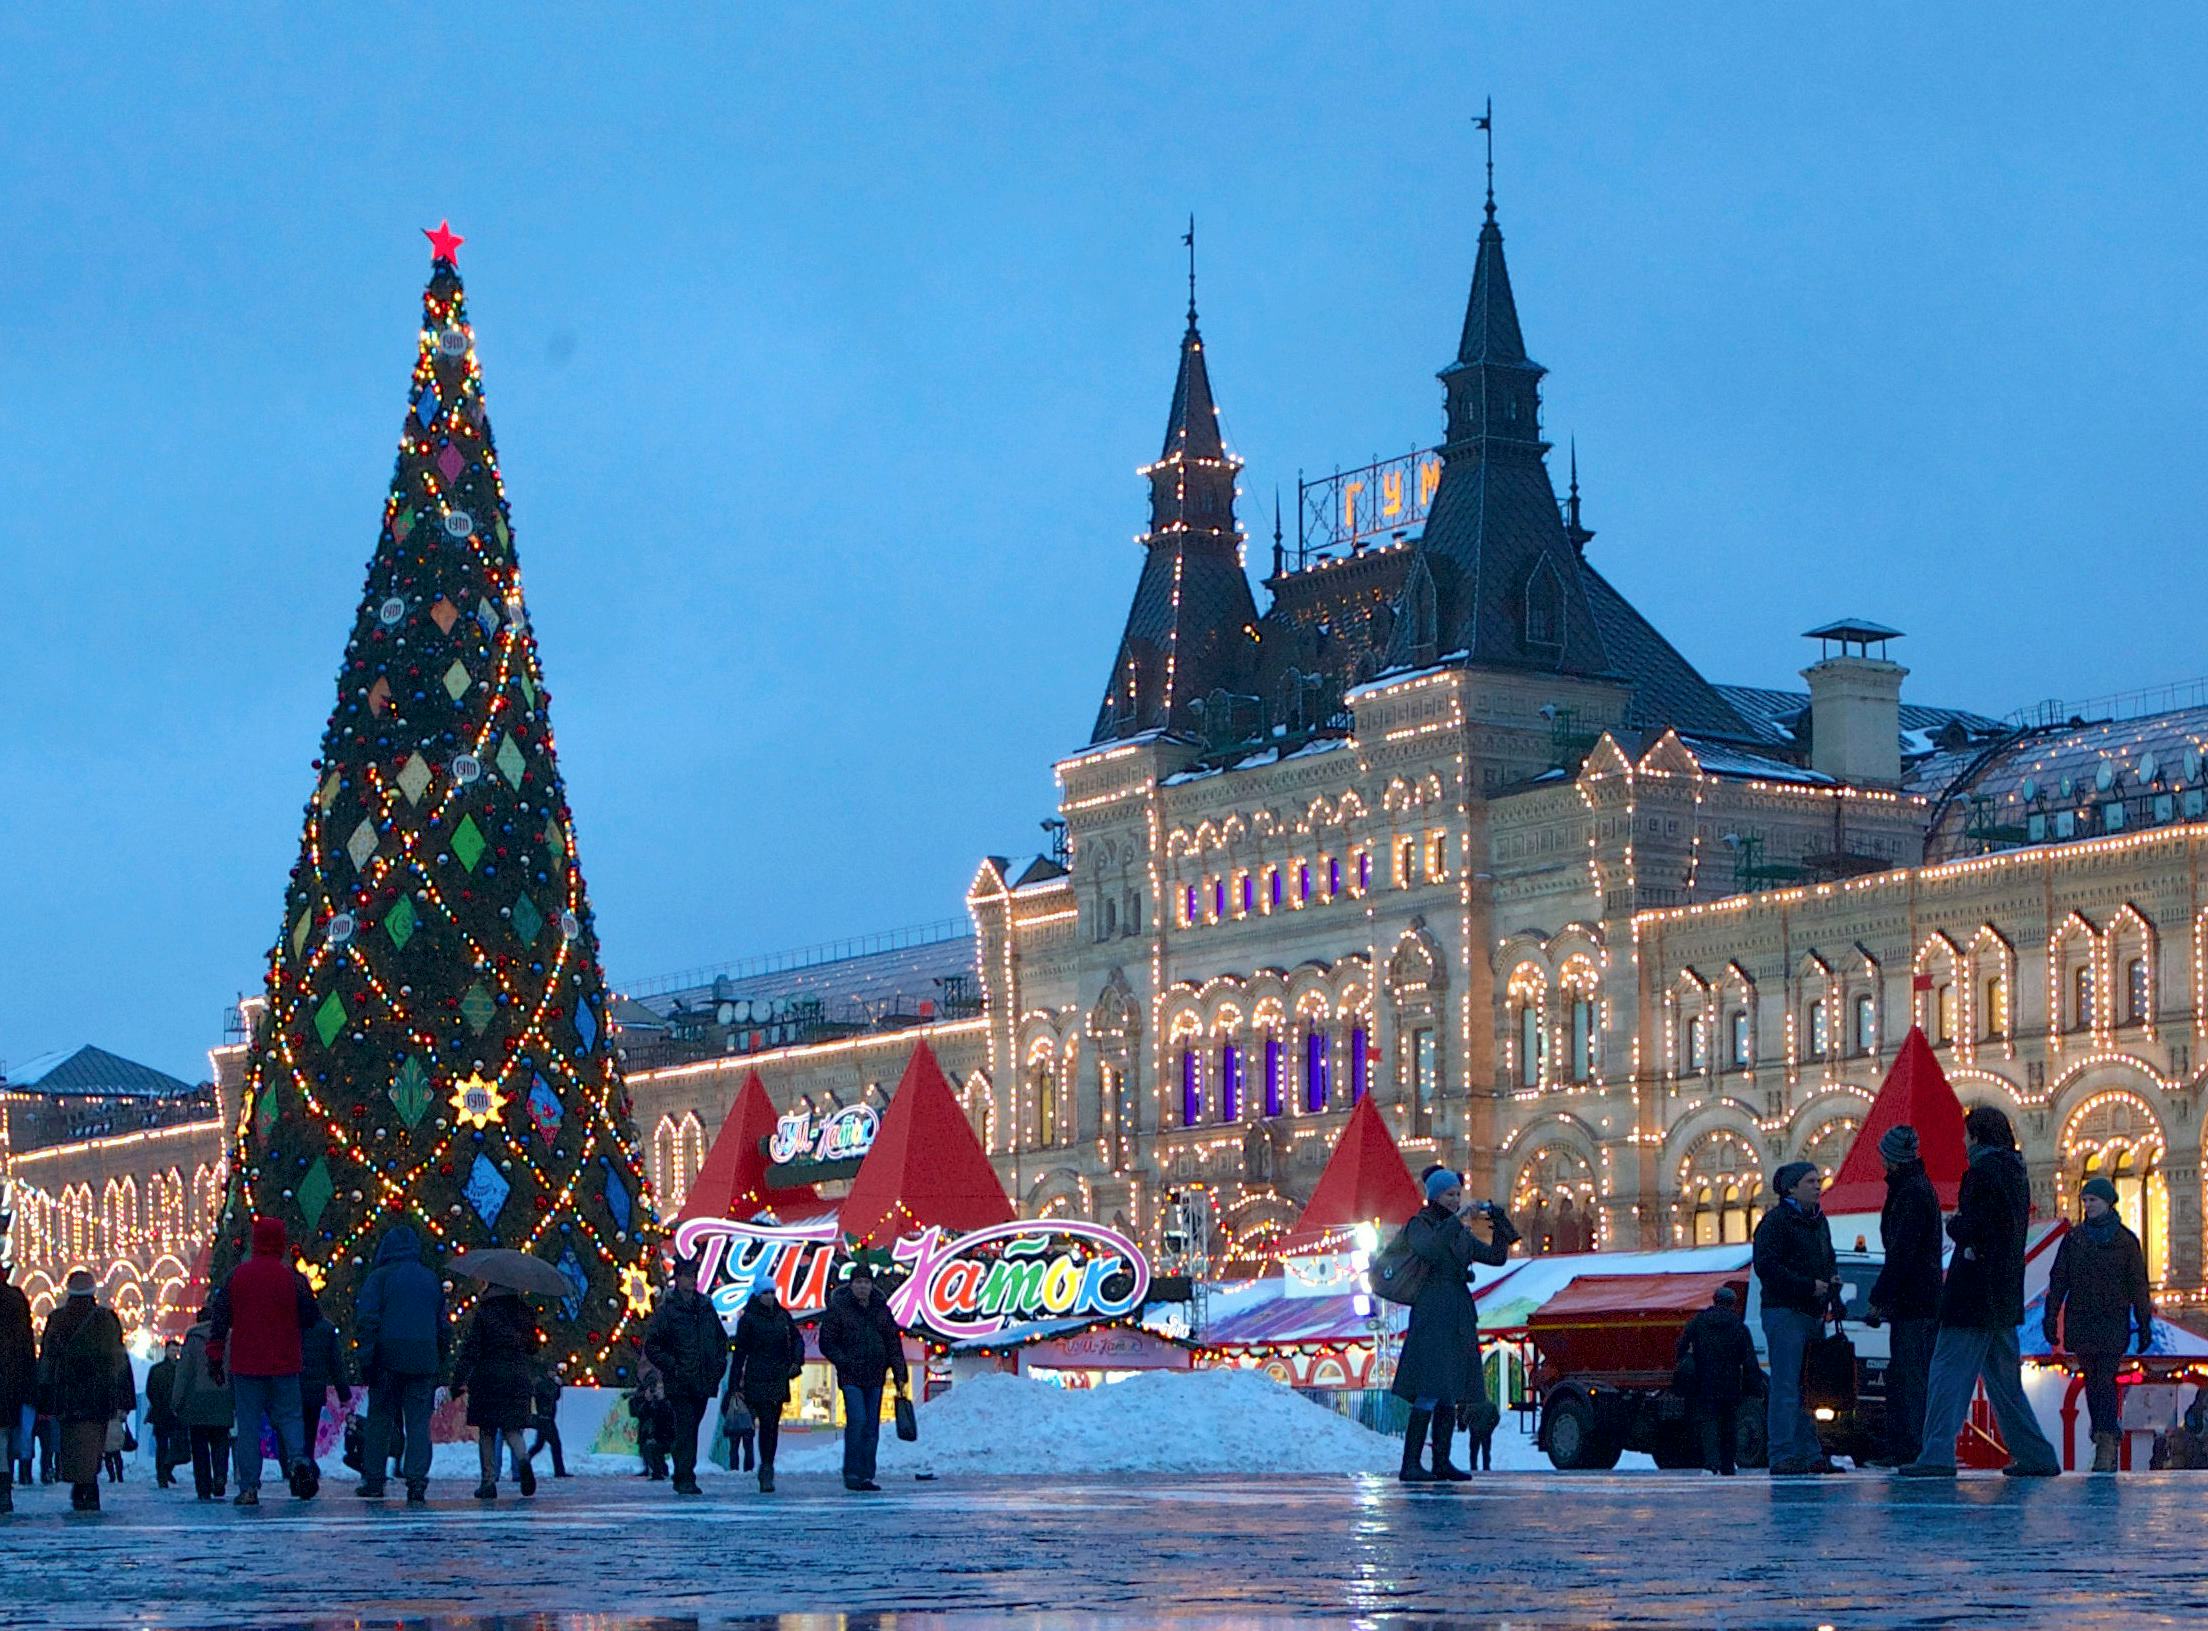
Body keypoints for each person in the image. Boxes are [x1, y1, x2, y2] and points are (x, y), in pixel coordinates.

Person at [1901, 1105, 2062, 1478]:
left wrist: (1956, 1226)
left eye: (1965, 1134)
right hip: (2004, 1293)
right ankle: (2036, 1454)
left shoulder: (1982, 1172)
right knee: (2005, 1383)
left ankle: (1937, 1454)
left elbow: (1978, 1227)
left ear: (1976, 1136)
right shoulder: (2016, 1172)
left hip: (1972, 1294)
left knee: (1947, 1374)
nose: (1962, 1141)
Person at [1388, 1168, 1517, 1483]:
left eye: (1458, 1194)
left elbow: (1495, 1258)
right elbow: (1429, 1248)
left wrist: (1499, 1224)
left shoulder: (1457, 1231)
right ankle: (1411, 1463)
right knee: (1430, 1387)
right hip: (1432, 1312)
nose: (1456, 1199)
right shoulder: (1420, 1225)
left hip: (1457, 1311)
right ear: (1434, 1195)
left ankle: (1442, 1461)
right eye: (1450, 1195)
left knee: (1448, 1391)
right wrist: (1456, 1218)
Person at [2044, 1175, 2155, 1474]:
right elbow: (2059, 1280)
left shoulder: (2125, 1241)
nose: (2088, 1205)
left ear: (2107, 1202)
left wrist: (2144, 1323)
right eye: (2085, 1200)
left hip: (2112, 1322)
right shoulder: (2075, 1239)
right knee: (2092, 1381)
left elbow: (2138, 1285)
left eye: (2093, 1200)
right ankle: (2104, 1436)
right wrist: (2051, 1315)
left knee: (2104, 1378)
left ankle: (2106, 1440)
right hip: (2082, 1321)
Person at [208, 1215, 322, 1506]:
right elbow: (312, 1317)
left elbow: (219, 1318)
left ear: (255, 1241)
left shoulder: (238, 1276)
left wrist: (215, 1355)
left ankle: (248, 1487)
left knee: (248, 1425)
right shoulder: (293, 1278)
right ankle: (297, 1461)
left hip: (246, 1363)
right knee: (291, 1418)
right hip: (285, 1361)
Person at [1752, 1161, 1841, 1476]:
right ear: (1791, 1187)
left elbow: (1828, 1258)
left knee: (1810, 1387)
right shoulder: (1775, 1222)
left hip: (1812, 1312)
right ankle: (1783, 1454)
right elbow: (1767, 1266)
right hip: (1785, 1311)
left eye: (1818, 1180)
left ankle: (1809, 1453)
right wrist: (1807, 1286)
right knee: (1787, 1385)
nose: (1818, 1186)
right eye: (1810, 1181)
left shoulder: (1819, 1221)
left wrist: (1833, 1289)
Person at [1864, 1125, 1943, 1466]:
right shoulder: (1914, 1188)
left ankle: (1909, 1449)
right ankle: (1907, 1446)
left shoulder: (1910, 1193)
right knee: (1908, 1375)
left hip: (1915, 1301)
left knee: (1909, 1378)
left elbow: (1901, 1252)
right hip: (1916, 1299)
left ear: (1892, 1158)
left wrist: (1879, 1297)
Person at [353, 1223, 447, 1504]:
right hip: (423, 1359)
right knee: (418, 1423)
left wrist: (366, 1358)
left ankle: (374, 1479)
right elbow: (442, 1325)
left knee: (380, 1420)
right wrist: (439, 1359)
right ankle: (416, 1480)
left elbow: (368, 1320)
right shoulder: (430, 1279)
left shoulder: (379, 1278)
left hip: (387, 1359)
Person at [37, 1269, 133, 1512]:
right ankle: (89, 1485)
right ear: (93, 1291)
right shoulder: (105, 1319)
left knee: (72, 1441)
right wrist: (124, 1396)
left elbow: (48, 1359)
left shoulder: (57, 1319)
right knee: (94, 1442)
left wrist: (44, 1395)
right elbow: (118, 1359)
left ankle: (81, 1486)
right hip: (99, 1395)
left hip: (67, 1394)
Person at [643, 1256, 730, 1496]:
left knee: (691, 1428)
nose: (692, 1280)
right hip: (680, 1381)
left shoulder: (705, 1307)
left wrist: (718, 1367)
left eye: (694, 1275)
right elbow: (652, 1346)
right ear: (678, 1278)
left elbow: (720, 1340)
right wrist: (673, 1367)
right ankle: (684, 1476)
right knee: (686, 1427)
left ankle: (681, 1472)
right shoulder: (668, 1311)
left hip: (703, 1380)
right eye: (687, 1275)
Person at [817, 1263, 908, 1493]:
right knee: (857, 1420)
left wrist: (900, 1373)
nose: (862, 1287)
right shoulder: (839, 1308)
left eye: (866, 1282)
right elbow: (827, 1342)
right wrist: (844, 1361)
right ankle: (852, 1472)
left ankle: (867, 1475)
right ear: (851, 1284)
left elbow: (893, 1343)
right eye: (858, 1282)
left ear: (871, 1285)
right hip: (851, 1376)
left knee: (871, 1426)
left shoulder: (881, 1309)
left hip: (876, 1375)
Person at [449, 1287, 540, 1501]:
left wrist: (458, 1380)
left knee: (487, 1431)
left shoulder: (485, 1313)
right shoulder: (524, 1312)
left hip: (487, 1377)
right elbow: (533, 1347)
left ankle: (488, 1482)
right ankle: (524, 1460)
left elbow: (471, 1350)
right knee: (512, 1428)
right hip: (517, 1376)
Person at [725, 1285, 806, 1493]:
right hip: (756, 1378)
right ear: (758, 1295)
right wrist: (734, 1385)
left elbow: (797, 1340)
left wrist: (797, 1361)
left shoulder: (782, 1316)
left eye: (772, 1293)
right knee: (759, 1424)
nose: (769, 1297)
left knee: (771, 1424)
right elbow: (740, 1352)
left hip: (778, 1376)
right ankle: (763, 1466)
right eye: (765, 1293)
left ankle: (767, 1466)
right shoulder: (749, 1319)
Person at [1675, 1285, 1763, 1475]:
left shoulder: (1699, 1321)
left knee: (1708, 1422)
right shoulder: (1738, 1325)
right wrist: (1755, 1385)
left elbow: (1681, 1346)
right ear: (1732, 1303)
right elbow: (1748, 1359)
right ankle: (1728, 1464)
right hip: (1730, 1382)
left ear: (1714, 1300)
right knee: (1729, 1423)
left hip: (1704, 1380)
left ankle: (1711, 1462)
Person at [171, 1308, 233, 1501]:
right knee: (221, 1441)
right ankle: (220, 1475)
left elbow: (183, 1373)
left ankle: (203, 1486)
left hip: (196, 1401)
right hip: (223, 1397)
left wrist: (176, 1401)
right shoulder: (229, 1338)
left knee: (199, 1447)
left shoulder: (192, 1339)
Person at [298, 1307, 353, 1468]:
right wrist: (344, 1394)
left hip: (292, 1389)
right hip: (315, 1391)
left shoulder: (290, 1327)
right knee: (310, 1431)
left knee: (290, 1429)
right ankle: (307, 1463)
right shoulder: (326, 1329)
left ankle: (292, 1465)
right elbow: (336, 1366)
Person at [0, 1270, 36, 1513]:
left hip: (8, 1379)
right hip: (8, 1381)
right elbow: (25, 1345)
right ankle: (4, 1490)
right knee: (3, 1437)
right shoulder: (14, 1299)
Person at [143, 1339, 183, 1489]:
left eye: (176, 1351)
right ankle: (163, 1473)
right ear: (166, 1351)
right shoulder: (158, 1369)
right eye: (172, 1350)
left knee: (175, 1445)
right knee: (164, 1445)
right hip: (163, 1412)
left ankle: (165, 1470)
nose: (174, 1354)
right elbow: (150, 1390)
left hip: (170, 1413)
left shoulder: (178, 1369)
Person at [526, 1358, 569, 1479]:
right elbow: (549, 1396)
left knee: (539, 1445)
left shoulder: (546, 1382)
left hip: (546, 1418)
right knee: (555, 1444)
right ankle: (559, 1470)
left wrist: (557, 1387)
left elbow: (555, 1397)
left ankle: (525, 1460)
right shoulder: (542, 1383)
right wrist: (556, 1386)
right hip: (545, 1418)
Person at [630, 1367, 673, 1480]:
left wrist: (661, 1400)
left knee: (652, 1446)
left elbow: (665, 1418)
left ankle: (659, 1470)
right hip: (655, 1435)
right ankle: (657, 1469)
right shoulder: (649, 1401)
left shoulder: (668, 1402)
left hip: (666, 1436)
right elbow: (639, 1413)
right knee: (648, 1445)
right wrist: (648, 1401)